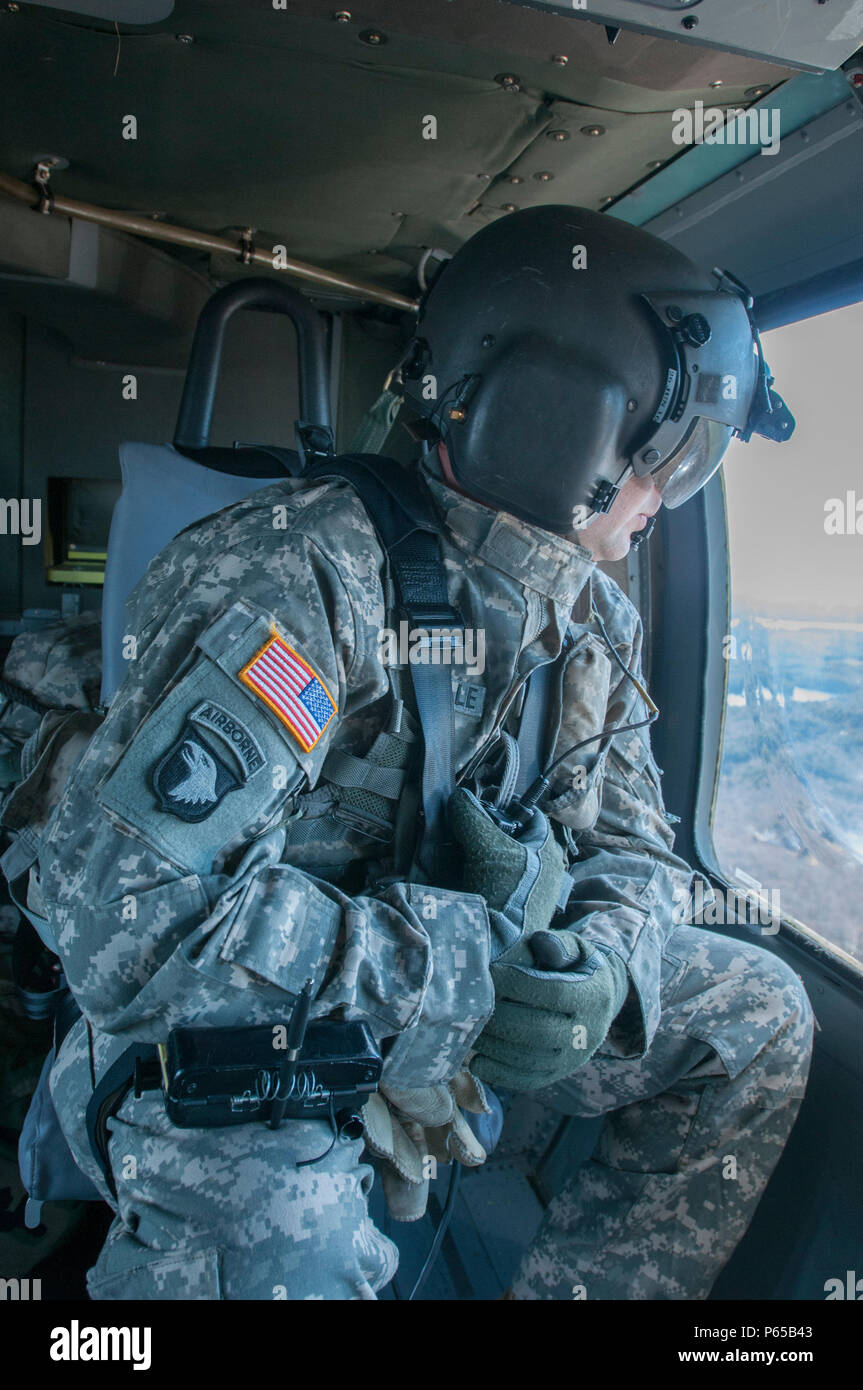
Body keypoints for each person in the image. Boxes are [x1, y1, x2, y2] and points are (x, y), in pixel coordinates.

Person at [36, 205, 811, 1300]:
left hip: (463, 1016)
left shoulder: (590, 614)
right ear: (566, 421)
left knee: (759, 1013)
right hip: (233, 1036)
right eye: (666, 455)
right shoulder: (301, 574)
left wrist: (601, 965)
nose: (664, 495)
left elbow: (639, 847)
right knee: (285, 1236)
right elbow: (126, 924)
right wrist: (463, 975)